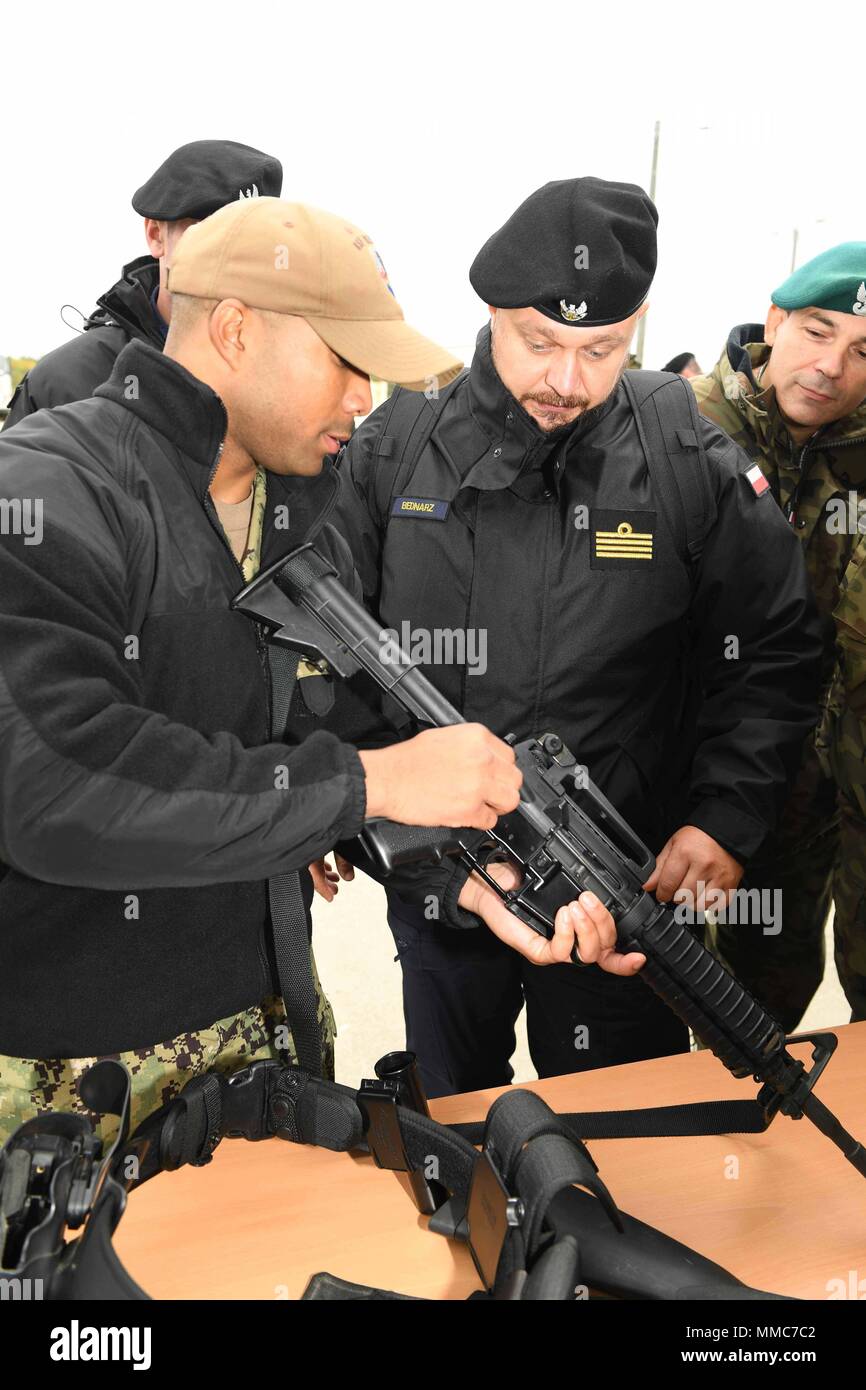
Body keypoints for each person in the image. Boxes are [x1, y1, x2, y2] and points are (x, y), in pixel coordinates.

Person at [0, 196, 632, 1147]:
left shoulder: (298, 510)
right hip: (70, 1101)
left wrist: (452, 877)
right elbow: (61, 789)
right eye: (343, 360)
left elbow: (301, 741)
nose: (362, 399)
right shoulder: (48, 488)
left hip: (267, 1058)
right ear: (235, 328)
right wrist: (380, 779)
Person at [318, 176, 823, 1098]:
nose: (566, 380)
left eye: (602, 351)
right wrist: (368, 815)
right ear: (492, 311)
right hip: (444, 886)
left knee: (623, 1139)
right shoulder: (395, 445)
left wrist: (724, 816)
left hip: (614, 898)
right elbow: (327, 657)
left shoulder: (685, 457)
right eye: (540, 342)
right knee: (455, 1123)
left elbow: (774, 649)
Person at [690, 243, 866, 1029]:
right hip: (673, 790)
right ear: (774, 322)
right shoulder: (678, 428)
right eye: (817, 331)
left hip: (801, 798)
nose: (832, 366)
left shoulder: (857, 456)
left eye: (864, 352)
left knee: (765, 1011)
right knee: (646, 1005)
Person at [3, 139, 282, 428]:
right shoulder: (65, 384)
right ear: (156, 235)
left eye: (250, 239)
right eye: (207, 231)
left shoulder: (295, 379)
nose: (231, 255)